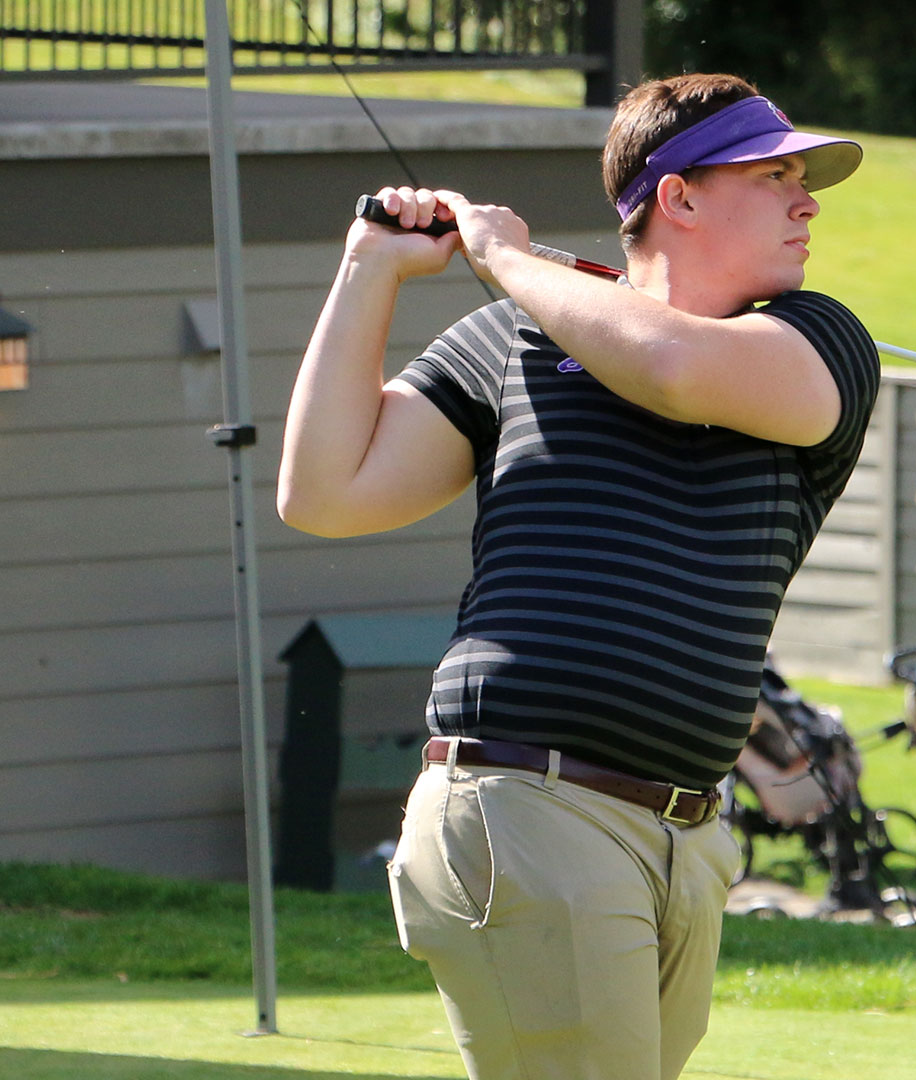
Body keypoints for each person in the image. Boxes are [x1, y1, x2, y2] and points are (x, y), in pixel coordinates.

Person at [277, 73, 879, 1080]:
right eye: (774, 176)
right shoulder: (508, 340)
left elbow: (674, 372)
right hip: (524, 802)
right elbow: (324, 492)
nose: (807, 200)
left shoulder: (819, 342)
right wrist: (368, 270)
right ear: (679, 197)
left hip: (686, 835)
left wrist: (506, 259)